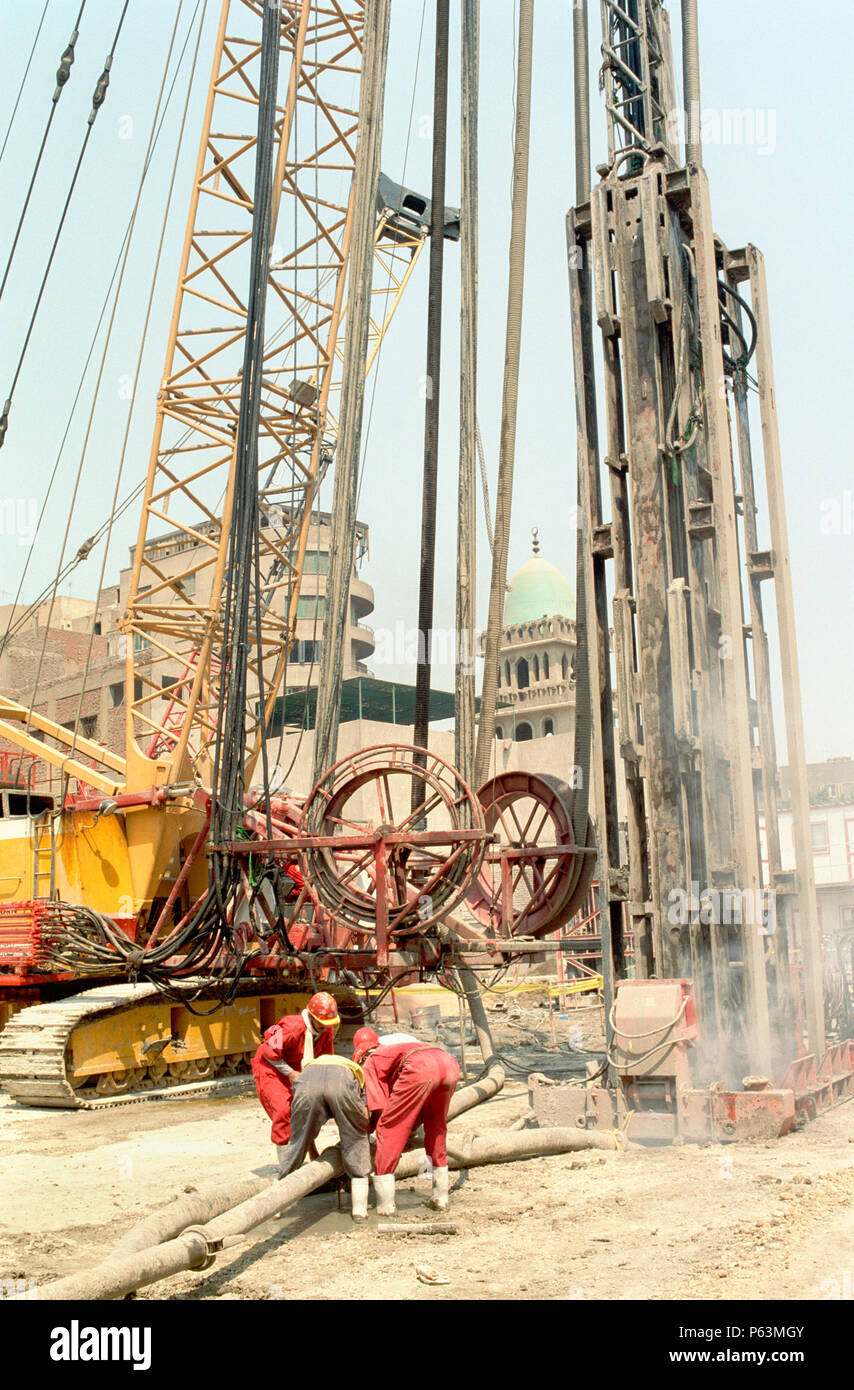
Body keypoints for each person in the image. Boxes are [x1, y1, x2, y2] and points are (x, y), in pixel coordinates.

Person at [352, 1026, 460, 1216]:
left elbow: (381, 1110)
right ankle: (440, 1196)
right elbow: (411, 1105)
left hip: (420, 1068)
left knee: (388, 1128)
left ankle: (386, 1205)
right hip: (448, 1063)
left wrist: (369, 1133)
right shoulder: (397, 1044)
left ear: (361, 1056)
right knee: (435, 1125)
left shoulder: (372, 1061)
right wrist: (409, 1131)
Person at [276, 1054, 371, 1220]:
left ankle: (276, 1207)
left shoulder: (315, 1064)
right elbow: (364, 1118)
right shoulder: (358, 1072)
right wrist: (357, 1136)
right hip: (341, 1082)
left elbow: (305, 1128)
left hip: (307, 1081)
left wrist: (310, 1147)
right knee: (356, 1141)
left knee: (297, 1141)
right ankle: (359, 1210)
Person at [252, 992, 340, 1168]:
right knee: (283, 1112)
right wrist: (290, 1073)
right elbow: (269, 1050)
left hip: (297, 1069)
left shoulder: (326, 1030)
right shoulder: (291, 1026)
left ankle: (310, 1149)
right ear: (312, 1017)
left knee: (307, 1109)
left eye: (327, 1025)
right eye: (321, 1024)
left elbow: (326, 1058)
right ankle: (288, 1168)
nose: (325, 1028)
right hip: (271, 1067)